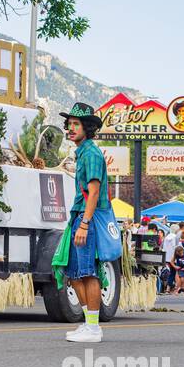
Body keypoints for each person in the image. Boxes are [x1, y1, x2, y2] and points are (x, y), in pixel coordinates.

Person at [58, 102, 114, 343]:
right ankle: (88, 324)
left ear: (87, 128)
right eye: (69, 124)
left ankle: (93, 328)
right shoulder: (82, 152)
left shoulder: (90, 153)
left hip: (86, 218)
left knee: (87, 273)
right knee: (73, 272)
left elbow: (94, 191)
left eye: (76, 124)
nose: (71, 129)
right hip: (79, 215)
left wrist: (84, 224)